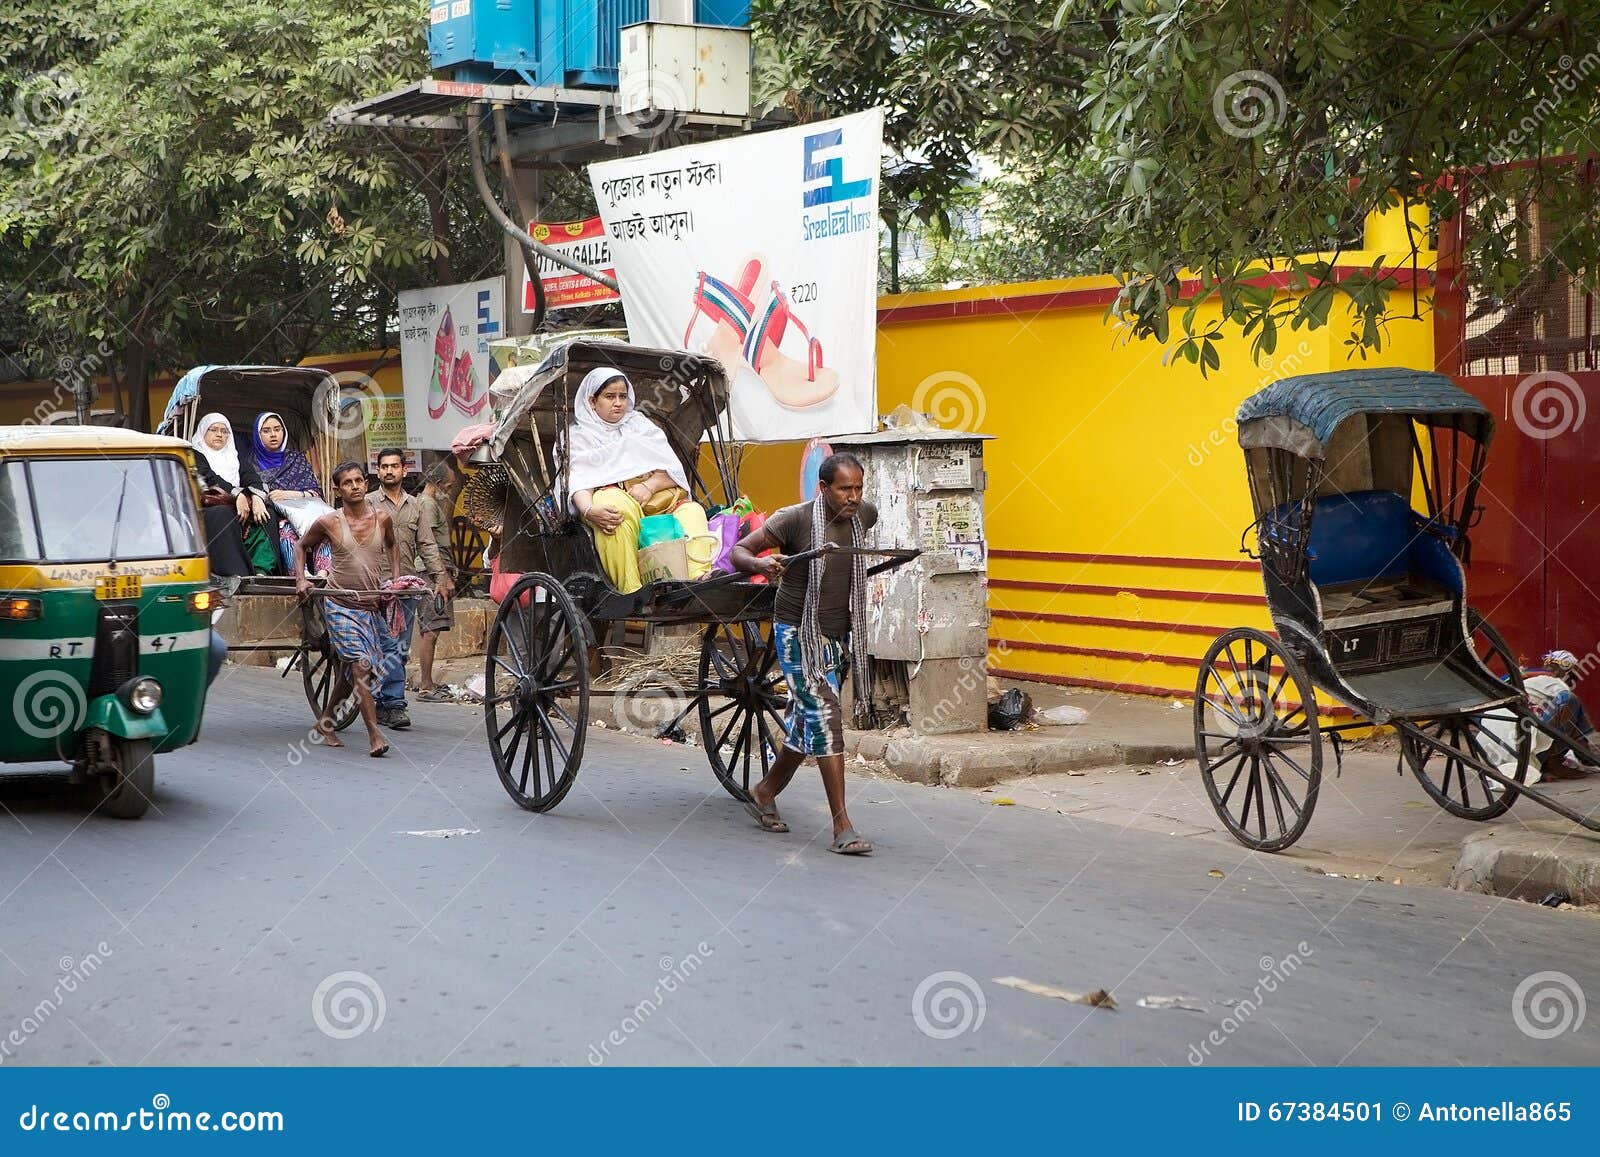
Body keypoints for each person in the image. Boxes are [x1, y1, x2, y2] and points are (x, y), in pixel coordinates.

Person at [729, 452, 878, 855]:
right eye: (845, 489)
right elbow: (738, 552)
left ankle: (764, 790)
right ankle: (842, 825)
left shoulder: (865, 516)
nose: (853, 497)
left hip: (835, 636)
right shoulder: (792, 519)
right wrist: (766, 562)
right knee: (825, 714)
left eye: (858, 488)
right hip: (796, 631)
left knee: (804, 723)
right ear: (823, 488)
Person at [564, 367, 705, 594]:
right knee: (613, 508)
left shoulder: (641, 426)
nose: (618, 403)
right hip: (615, 503)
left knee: (694, 512)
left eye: (622, 396)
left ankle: (698, 580)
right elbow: (579, 483)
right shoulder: (578, 437)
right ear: (592, 401)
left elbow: (673, 472)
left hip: (657, 503)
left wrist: (649, 486)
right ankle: (633, 591)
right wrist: (589, 510)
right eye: (610, 397)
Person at [294, 462, 398, 758]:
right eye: (347, 483)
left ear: (366, 484)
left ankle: (325, 721)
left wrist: (395, 580)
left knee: (355, 670)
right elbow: (301, 547)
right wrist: (301, 579)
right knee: (361, 665)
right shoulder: (330, 522)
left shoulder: (382, 518)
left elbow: (393, 547)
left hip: (370, 606)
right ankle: (375, 735)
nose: (354, 486)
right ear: (338, 491)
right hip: (339, 604)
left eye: (359, 480)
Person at [373, 448, 448, 730]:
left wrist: (439, 578)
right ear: (378, 471)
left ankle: (383, 702)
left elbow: (427, 545)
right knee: (388, 646)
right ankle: (393, 704)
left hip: (406, 586)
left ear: (405, 470)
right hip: (375, 586)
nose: (389, 471)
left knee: (401, 648)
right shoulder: (368, 503)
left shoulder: (416, 505)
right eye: (384, 467)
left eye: (394, 466)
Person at [190, 413, 276, 575]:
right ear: (203, 432)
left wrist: (257, 497)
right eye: (213, 430)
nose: (219, 435)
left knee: (266, 515)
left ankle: (262, 571)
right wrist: (238, 495)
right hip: (207, 506)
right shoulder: (195, 455)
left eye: (224, 431)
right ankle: (236, 573)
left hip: (237, 504)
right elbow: (209, 478)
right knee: (221, 514)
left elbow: (250, 476)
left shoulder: (234, 456)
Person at [248, 411, 329, 572]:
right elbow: (249, 491)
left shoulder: (296, 459)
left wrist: (289, 494)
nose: (273, 435)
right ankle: (300, 573)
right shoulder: (249, 464)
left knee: (324, 527)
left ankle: (323, 572)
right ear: (257, 435)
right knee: (286, 530)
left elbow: (315, 492)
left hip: (304, 511)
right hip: (274, 517)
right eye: (266, 431)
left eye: (277, 429)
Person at [414, 461, 459, 702]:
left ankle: (427, 682)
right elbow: (428, 544)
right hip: (431, 575)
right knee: (430, 630)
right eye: (449, 486)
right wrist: (442, 576)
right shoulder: (428, 505)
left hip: (434, 572)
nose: (449, 492)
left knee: (432, 629)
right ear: (438, 484)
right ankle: (425, 685)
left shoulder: (426, 503)